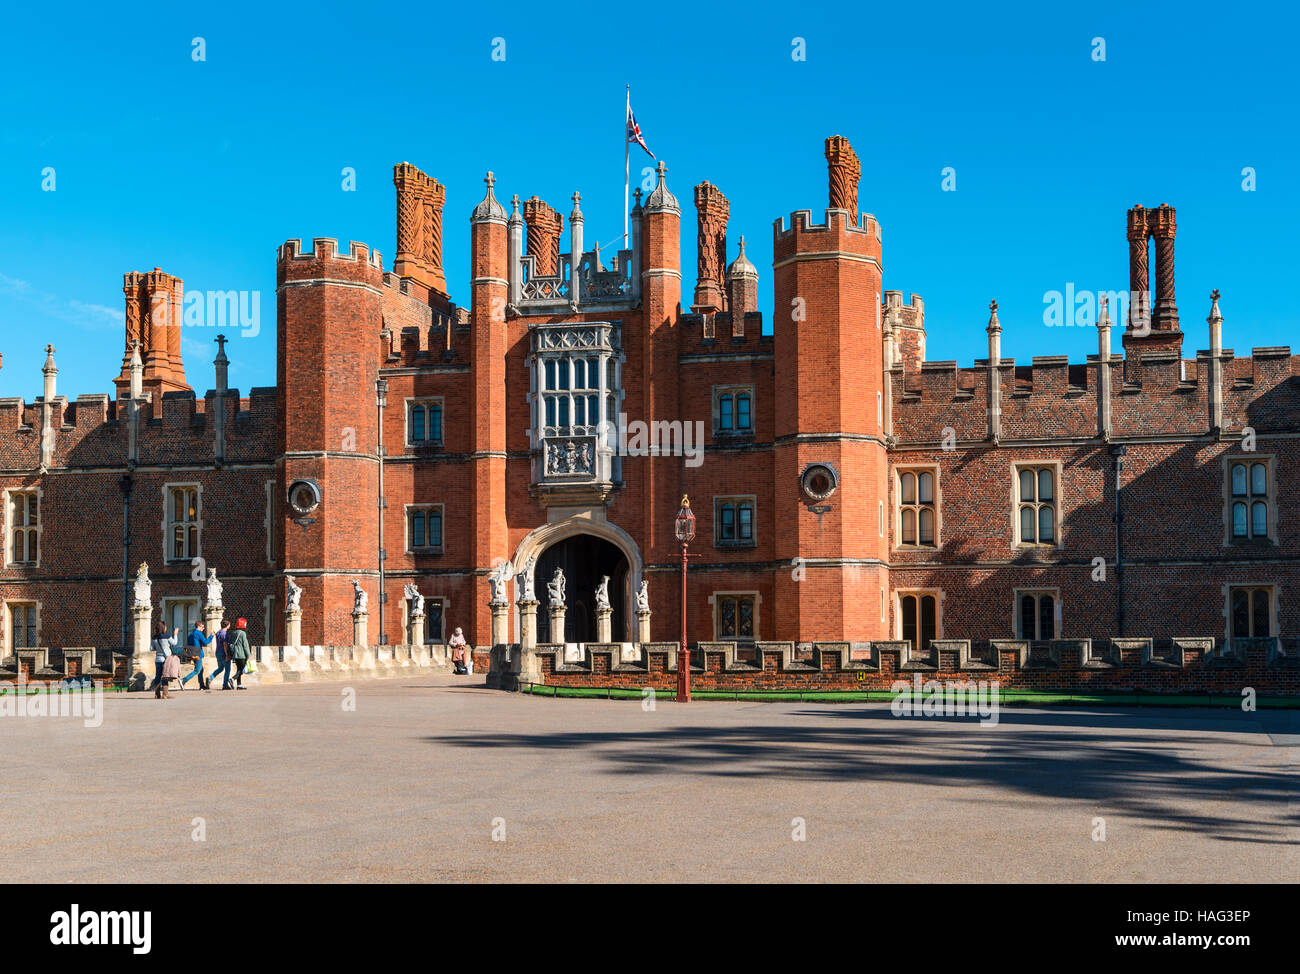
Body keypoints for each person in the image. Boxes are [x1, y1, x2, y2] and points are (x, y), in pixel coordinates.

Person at [152, 619, 181, 699]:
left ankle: (157, 694)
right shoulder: (167, 636)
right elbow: (174, 643)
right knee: (165, 676)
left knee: (158, 676)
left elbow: (152, 648)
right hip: (166, 659)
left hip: (158, 659)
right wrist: (175, 634)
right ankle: (165, 694)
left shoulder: (154, 637)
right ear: (163, 628)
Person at [182, 620, 213, 691]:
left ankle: (202, 685)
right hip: (198, 654)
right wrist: (211, 636)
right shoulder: (199, 633)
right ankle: (183, 680)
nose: (203, 628)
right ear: (198, 626)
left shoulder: (191, 634)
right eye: (202, 627)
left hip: (193, 653)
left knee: (201, 669)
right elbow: (205, 642)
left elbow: (188, 644)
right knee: (197, 670)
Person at [227, 617, 251, 690]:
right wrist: (248, 655)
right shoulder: (242, 633)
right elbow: (245, 645)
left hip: (235, 654)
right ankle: (232, 679)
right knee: (242, 669)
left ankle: (239, 685)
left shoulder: (234, 632)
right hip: (241, 654)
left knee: (239, 669)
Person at [211, 619, 232, 690]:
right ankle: (225, 685)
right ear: (227, 625)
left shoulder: (218, 633)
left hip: (218, 652)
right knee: (227, 669)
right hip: (223, 653)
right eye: (229, 624)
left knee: (220, 668)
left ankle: (210, 677)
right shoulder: (224, 633)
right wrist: (227, 655)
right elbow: (225, 644)